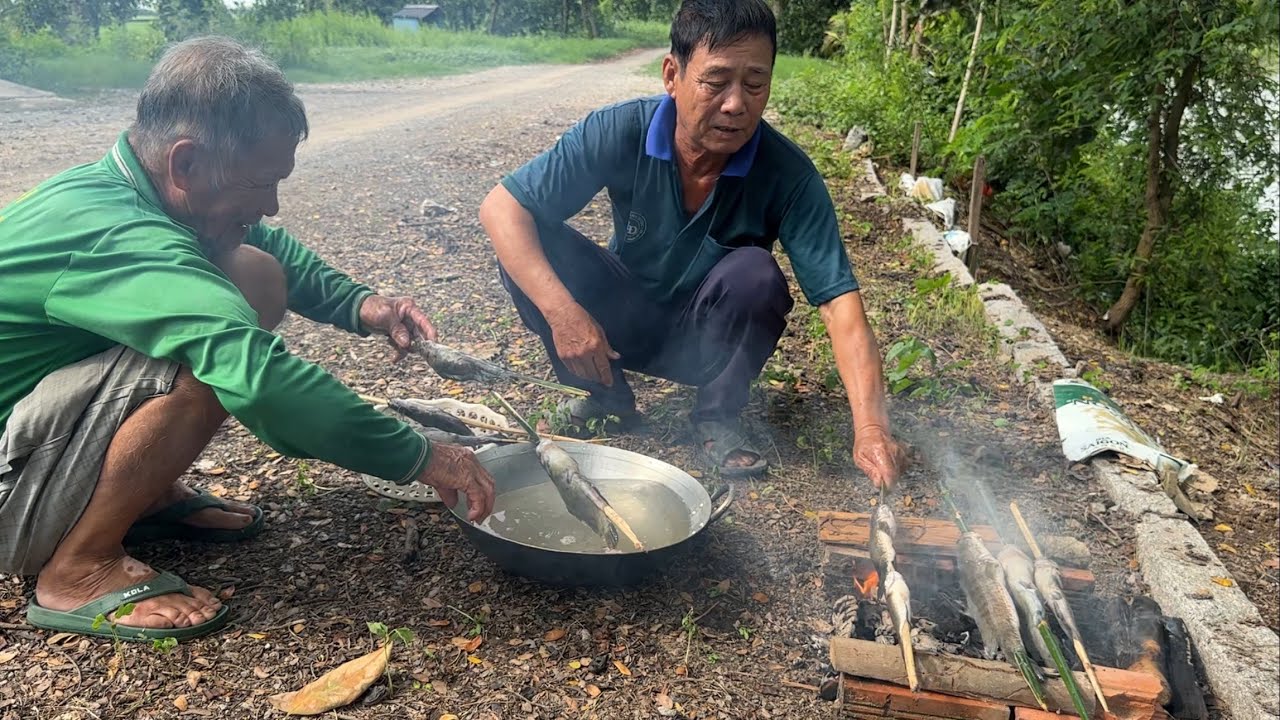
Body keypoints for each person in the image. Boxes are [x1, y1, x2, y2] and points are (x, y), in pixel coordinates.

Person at [0, 37, 495, 642]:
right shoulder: (116, 234)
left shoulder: (140, 190)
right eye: (260, 183)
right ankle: (78, 567)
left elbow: (266, 252)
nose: (274, 205)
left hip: (36, 432)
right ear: (186, 163)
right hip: (9, 483)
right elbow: (259, 379)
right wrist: (423, 456)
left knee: (251, 273)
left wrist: (361, 304)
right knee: (216, 362)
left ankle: (142, 500)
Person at [479, 0, 906, 484]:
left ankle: (716, 418)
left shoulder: (788, 175)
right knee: (530, 242)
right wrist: (563, 313)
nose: (735, 104)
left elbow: (840, 305)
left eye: (755, 83)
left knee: (756, 273)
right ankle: (607, 399)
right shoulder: (621, 130)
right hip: (618, 326)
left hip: (705, 341)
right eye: (716, 80)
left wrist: (870, 428)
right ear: (671, 75)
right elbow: (501, 208)